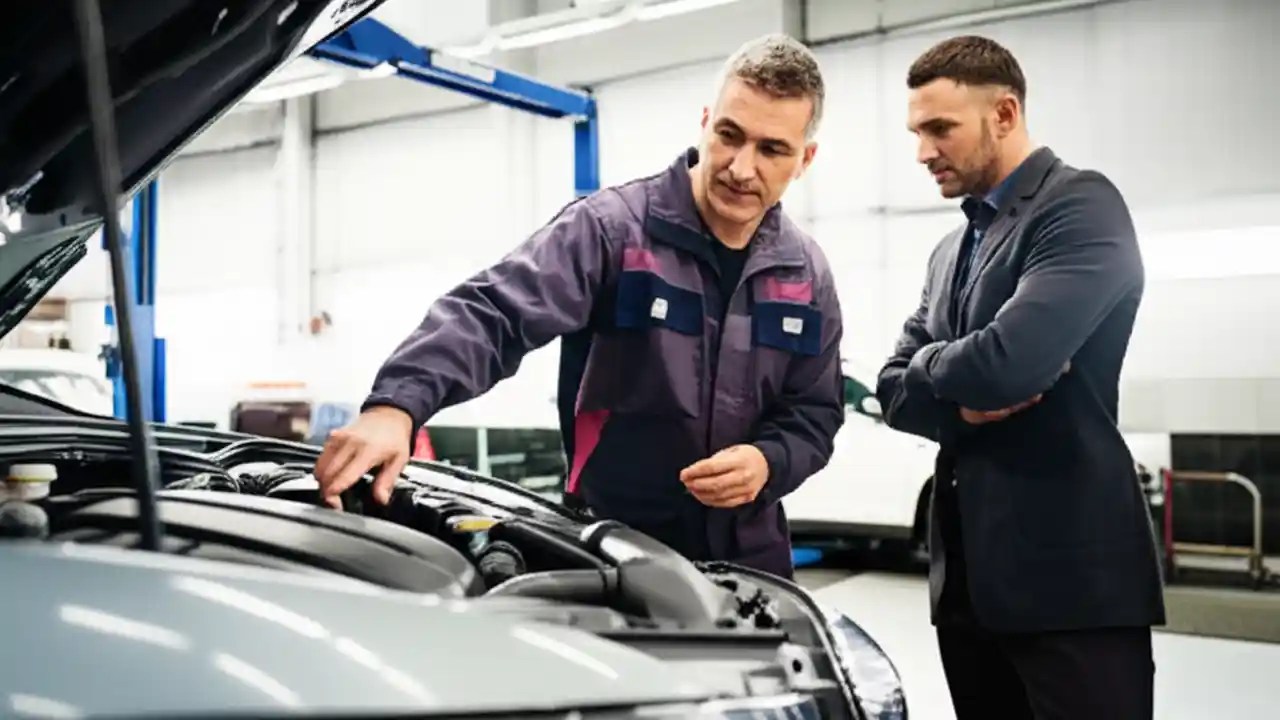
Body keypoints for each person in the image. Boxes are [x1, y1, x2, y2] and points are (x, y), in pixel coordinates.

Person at [313, 33, 844, 580]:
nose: (740, 166)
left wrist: (768, 462)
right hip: (614, 550)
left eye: (772, 149)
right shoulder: (613, 231)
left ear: (804, 159)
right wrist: (396, 406)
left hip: (750, 556)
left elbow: (814, 413)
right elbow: (495, 312)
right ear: (706, 122)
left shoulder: (806, 274)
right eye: (729, 135)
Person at [875, 35, 1165, 719]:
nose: (923, 152)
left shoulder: (1080, 207)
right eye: (917, 132)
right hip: (968, 588)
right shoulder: (950, 249)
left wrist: (934, 369)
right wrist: (948, 381)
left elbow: (1011, 364)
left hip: (1070, 585)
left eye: (940, 129)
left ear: (1003, 114)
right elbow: (891, 388)